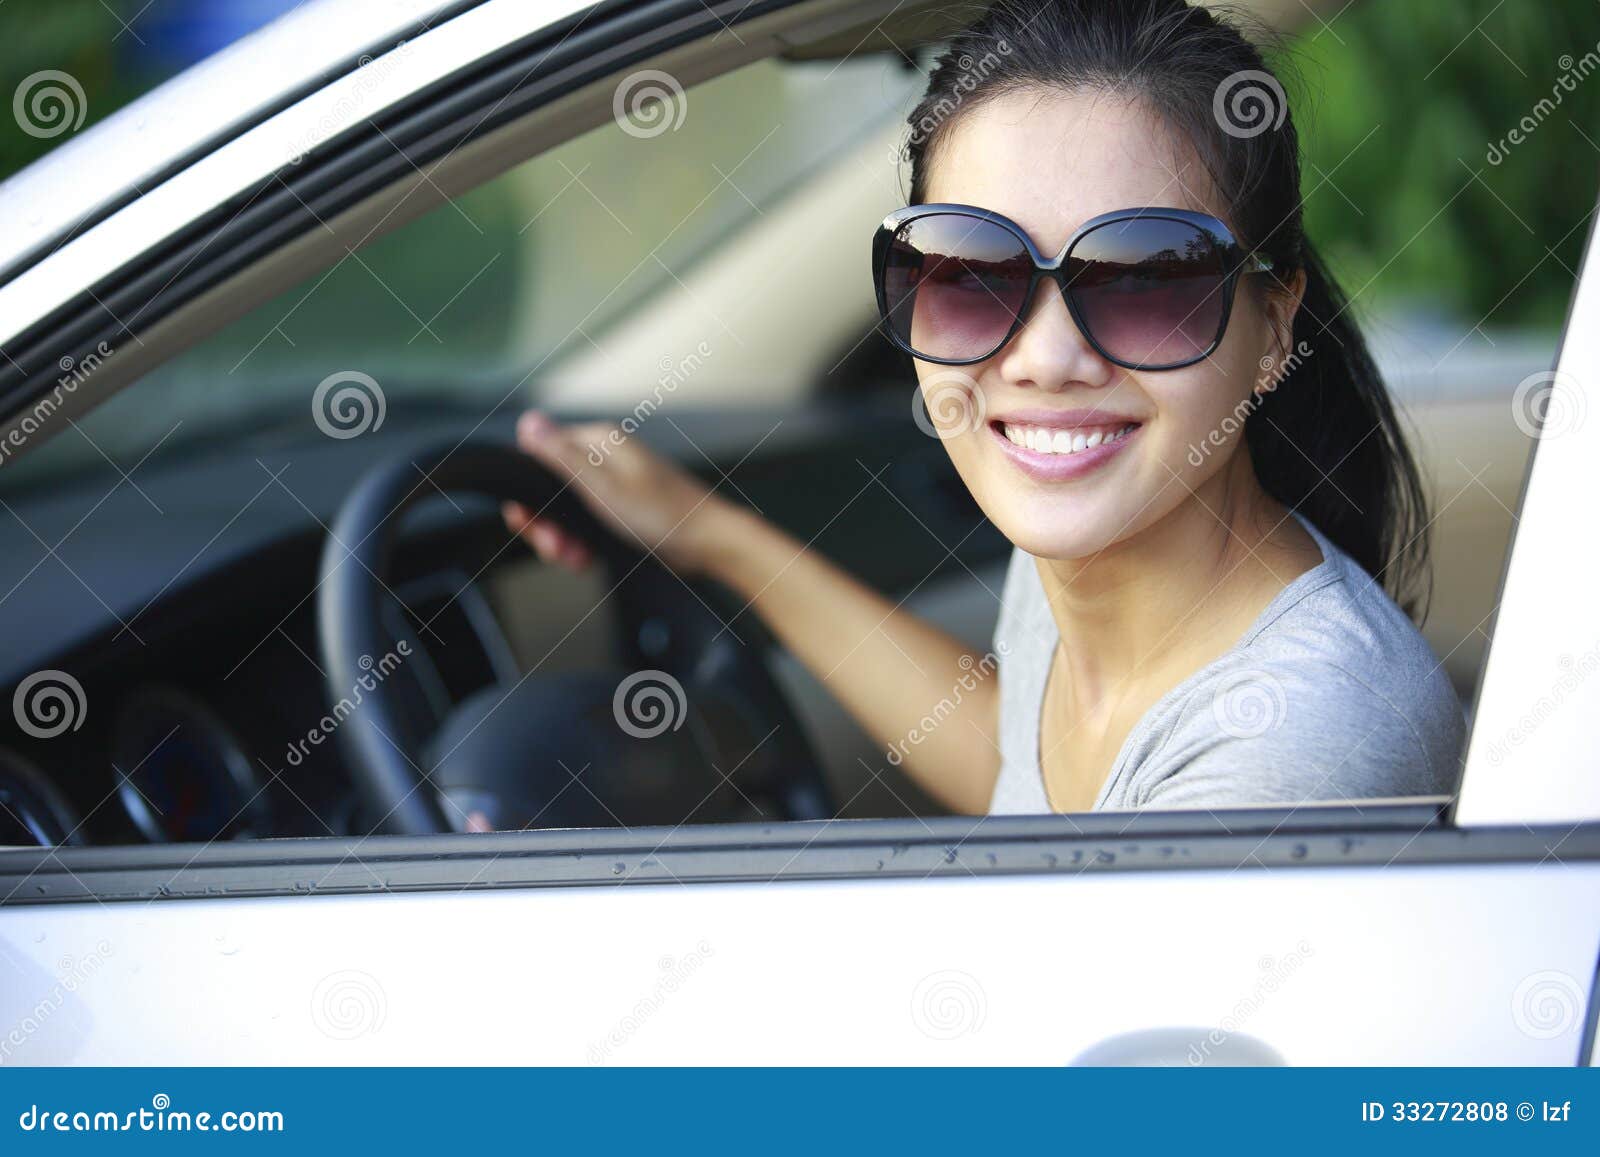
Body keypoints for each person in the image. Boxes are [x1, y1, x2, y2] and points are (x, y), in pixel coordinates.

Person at [501, 0, 1465, 816]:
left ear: (1272, 329)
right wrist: (706, 533)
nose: (1046, 360)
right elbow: (1015, 769)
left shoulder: (1290, 743)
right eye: (972, 273)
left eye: (1149, 281)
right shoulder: (1096, 548)